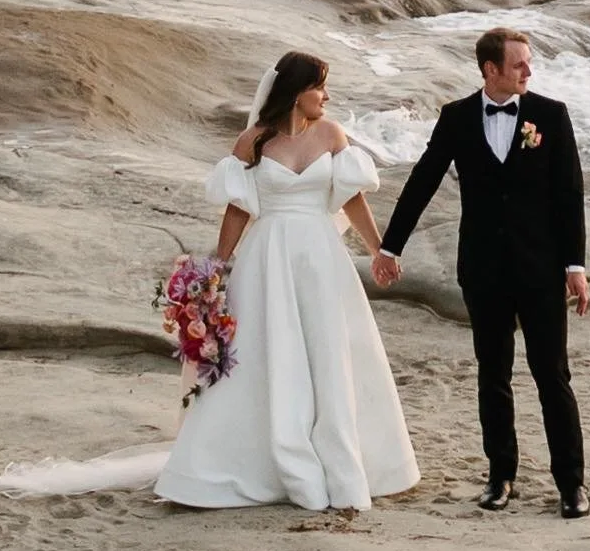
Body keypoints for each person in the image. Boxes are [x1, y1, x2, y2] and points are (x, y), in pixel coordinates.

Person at [158, 46, 420, 520]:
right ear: (297, 93)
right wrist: (216, 269)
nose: (326, 95)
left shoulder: (331, 134)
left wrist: (379, 250)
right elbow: (238, 209)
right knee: (269, 355)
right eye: (319, 85)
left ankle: (340, 464)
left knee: (329, 353)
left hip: (321, 257)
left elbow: (352, 198)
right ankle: (262, 464)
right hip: (269, 258)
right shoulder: (252, 142)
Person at [373, 25, 590, 516]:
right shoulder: (457, 117)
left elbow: (569, 194)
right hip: (484, 270)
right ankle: (501, 477)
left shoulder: (550, 116)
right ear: (490, 69)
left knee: (551, 374)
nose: (528, 72)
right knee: (493, 375)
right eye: (519, 64)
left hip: (541, 269)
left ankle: (571, 485)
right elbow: (423, 180)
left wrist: (575, 265)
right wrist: (390, 247)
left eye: (528, 63)